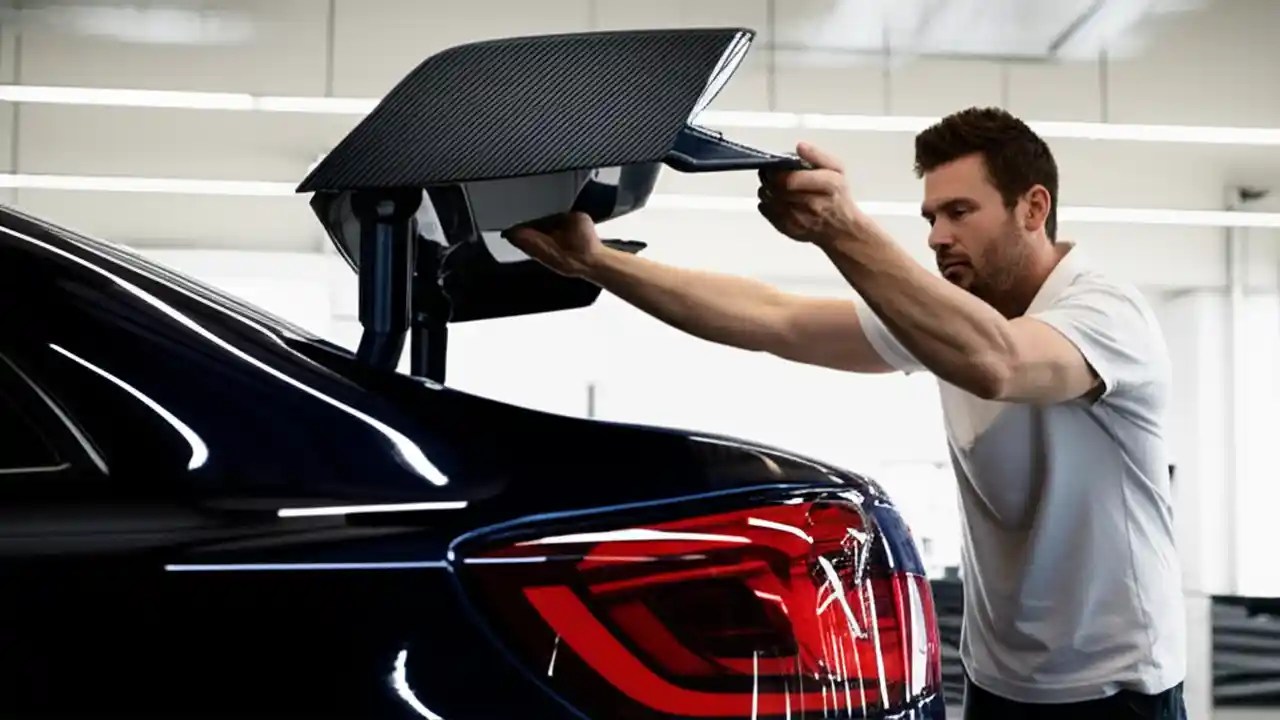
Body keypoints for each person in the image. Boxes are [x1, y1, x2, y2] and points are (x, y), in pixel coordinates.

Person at [503, 106, 1187, 719]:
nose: (937, 237)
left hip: (1115, 694)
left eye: (960, 212)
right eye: (929, 218)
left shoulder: (1106, 314)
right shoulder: (952, 319)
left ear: (1033, 209)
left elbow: (1000, 362)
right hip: (997, 682)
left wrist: (842, 230)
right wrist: (593, 262)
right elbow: (776, 319)